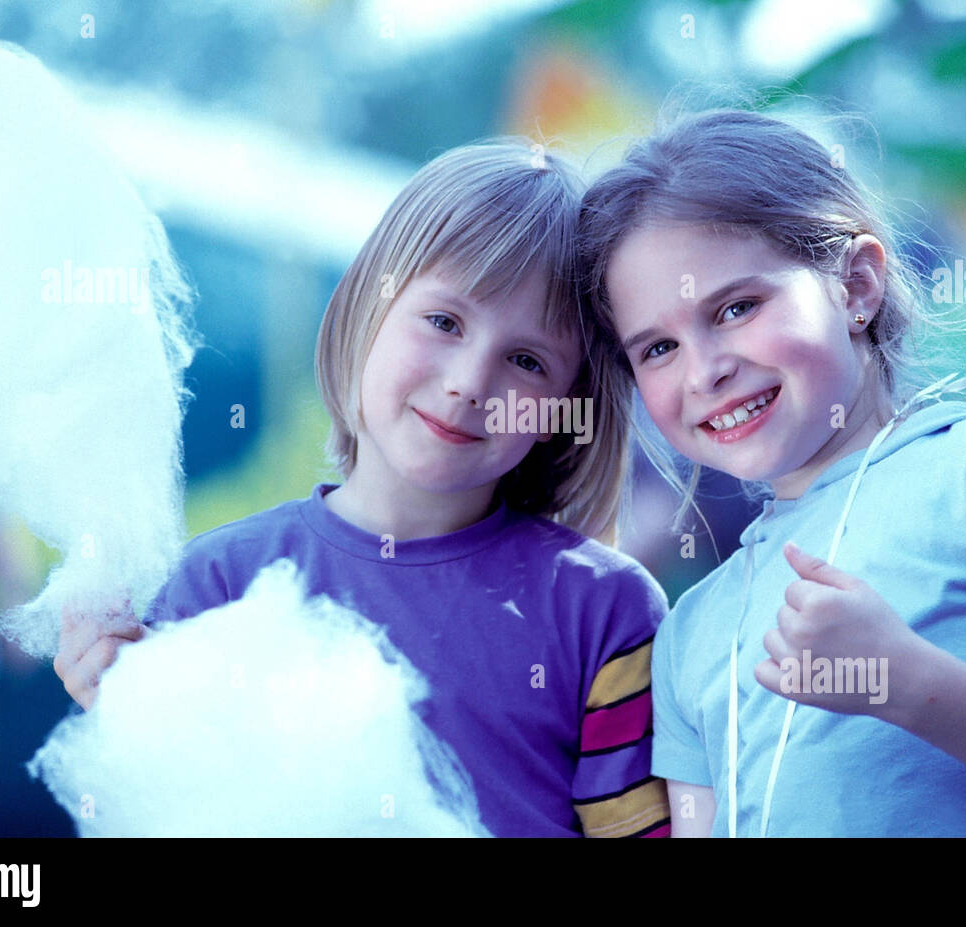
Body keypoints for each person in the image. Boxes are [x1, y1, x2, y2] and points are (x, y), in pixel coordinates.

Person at [576, 108, 966, 837]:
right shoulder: (691, 630)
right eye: (657, 349)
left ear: (857, 286)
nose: (706, 370)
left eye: (737, 307)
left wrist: (910, 683)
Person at [55, 141, 671, 838]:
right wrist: (123, 701)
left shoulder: (604, 612)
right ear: (365, 307)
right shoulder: (219, 582)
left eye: (526, 360)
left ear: (568, 407)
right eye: (445, 322)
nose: (470, 381)